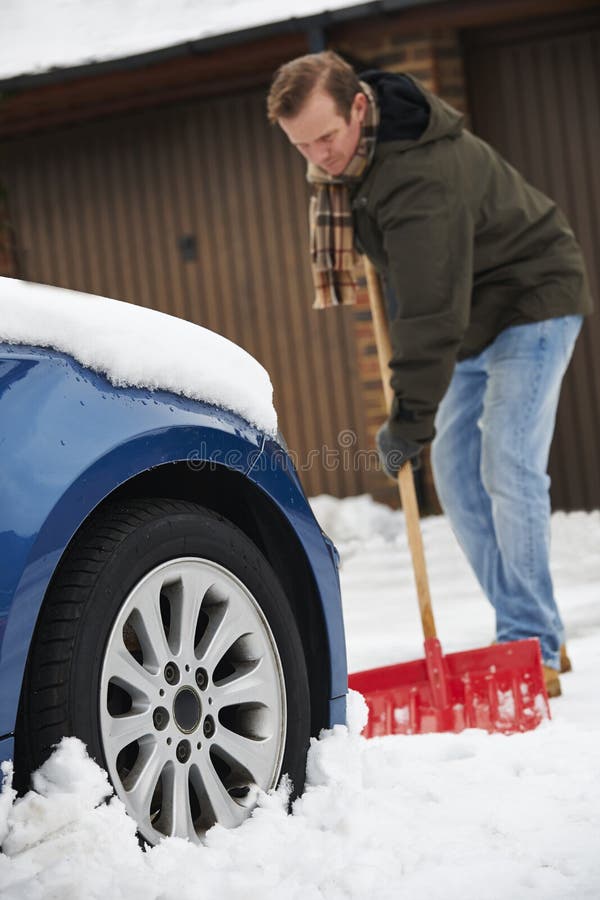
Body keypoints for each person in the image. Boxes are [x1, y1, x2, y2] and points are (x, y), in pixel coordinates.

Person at [267, 50, 593, 697]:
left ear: (359, 106)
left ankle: (528, 639)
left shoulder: (419, 177)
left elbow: (428, 306)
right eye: (303, 145)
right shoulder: (353, 171)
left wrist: (408, 419)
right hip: (470, 315)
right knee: (458, 478)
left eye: (327, 137)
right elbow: (415, 294)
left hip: (532, 297)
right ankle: (535, 633)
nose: (320, 158)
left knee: (507, 461)